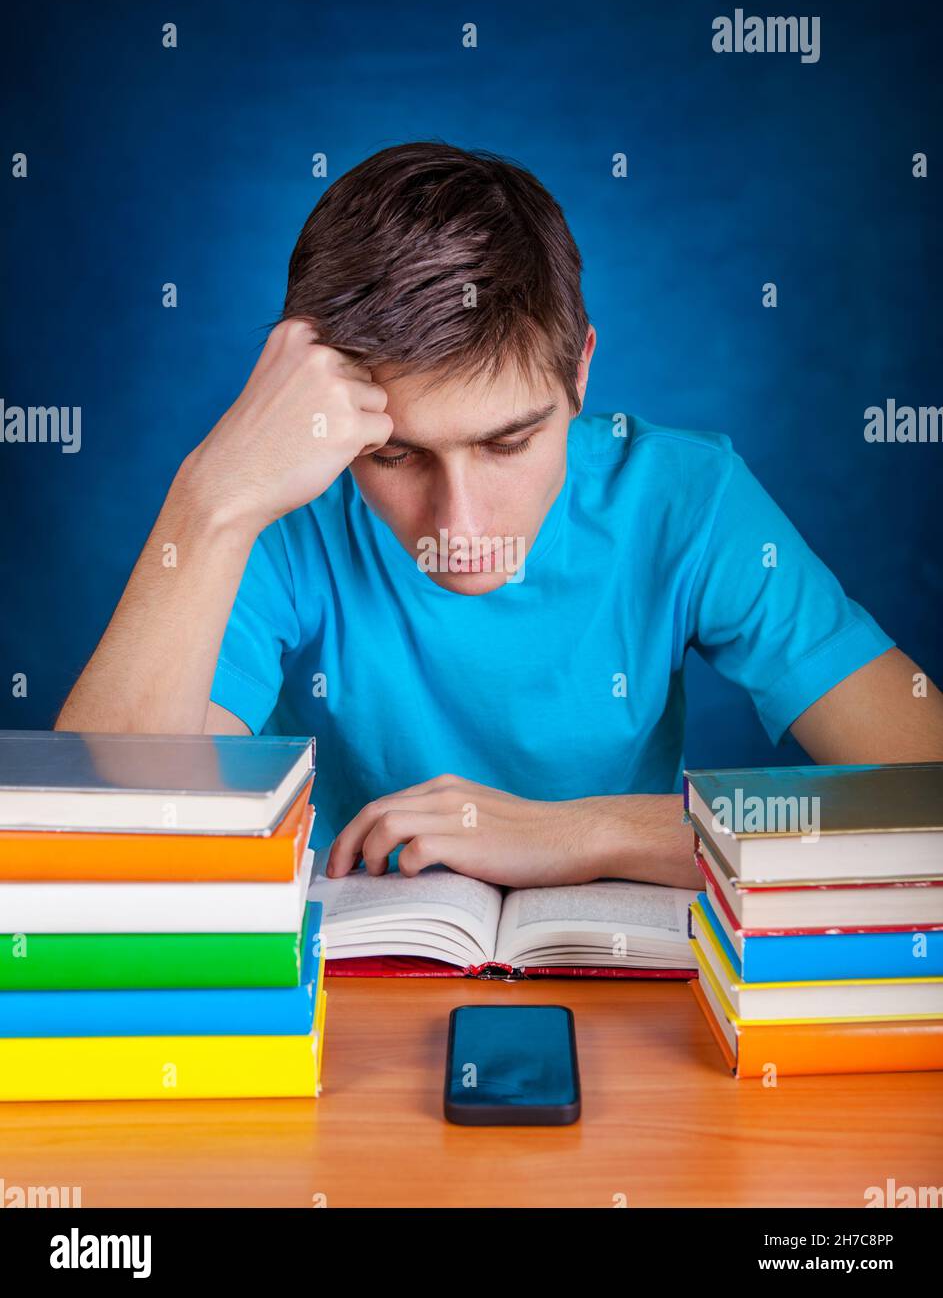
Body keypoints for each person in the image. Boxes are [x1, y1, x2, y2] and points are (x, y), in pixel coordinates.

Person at [55, 142, 943, 889]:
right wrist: (208, 498)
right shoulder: (280, 504)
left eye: (508, 443)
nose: (460, 520)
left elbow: (927, 805)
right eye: (394, 455)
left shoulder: (687, 499)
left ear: (580, 372)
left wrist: (586, 833)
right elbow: (98, 840)